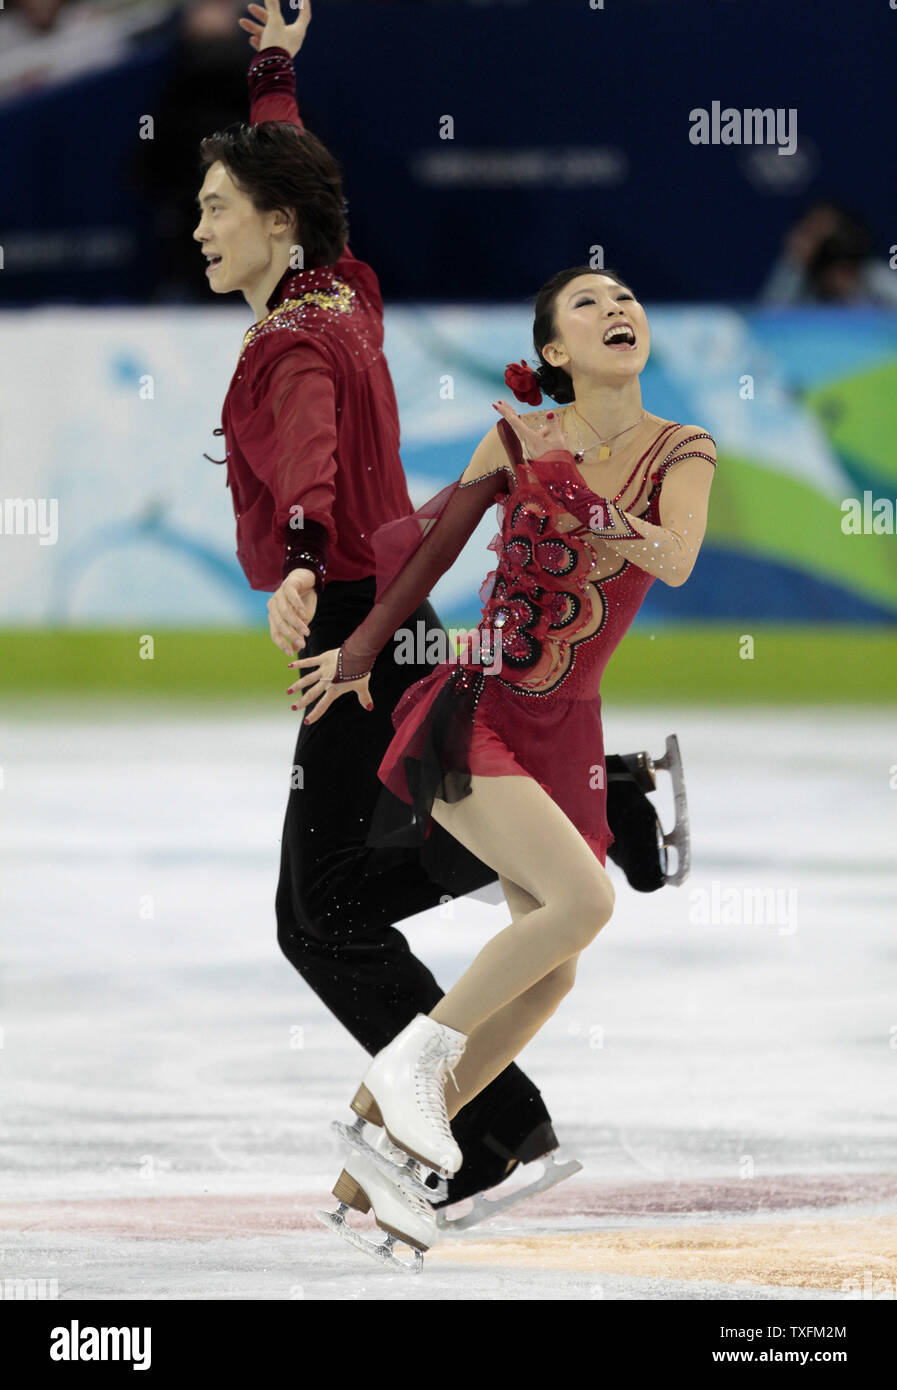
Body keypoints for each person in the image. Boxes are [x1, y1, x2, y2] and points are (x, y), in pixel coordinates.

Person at [198, 0, 688, 1225]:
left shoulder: (288, 351)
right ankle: (494, 1116)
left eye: (215, 209)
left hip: (355, 618)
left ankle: (479, 1130)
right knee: (339, 898)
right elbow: (305, 190)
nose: (198, 227)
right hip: (389, 609)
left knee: (321, 916)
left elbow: (309, 461)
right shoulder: (340, 294)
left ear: (274, 226)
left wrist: (305, 564)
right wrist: (273, 76)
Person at [294, 266, 717, 1263]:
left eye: (627, 298)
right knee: (586, 904)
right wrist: (357, 657)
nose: (618, 309)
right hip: (477, 712)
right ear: (557, 352)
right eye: (588, 303)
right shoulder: (519, 435)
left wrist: (588, 501)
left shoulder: (681, 450)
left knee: (554, 974)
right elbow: (429, 555)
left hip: (566, 734)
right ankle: (407, 1083)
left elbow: (678, 557)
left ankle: (380, 1162)